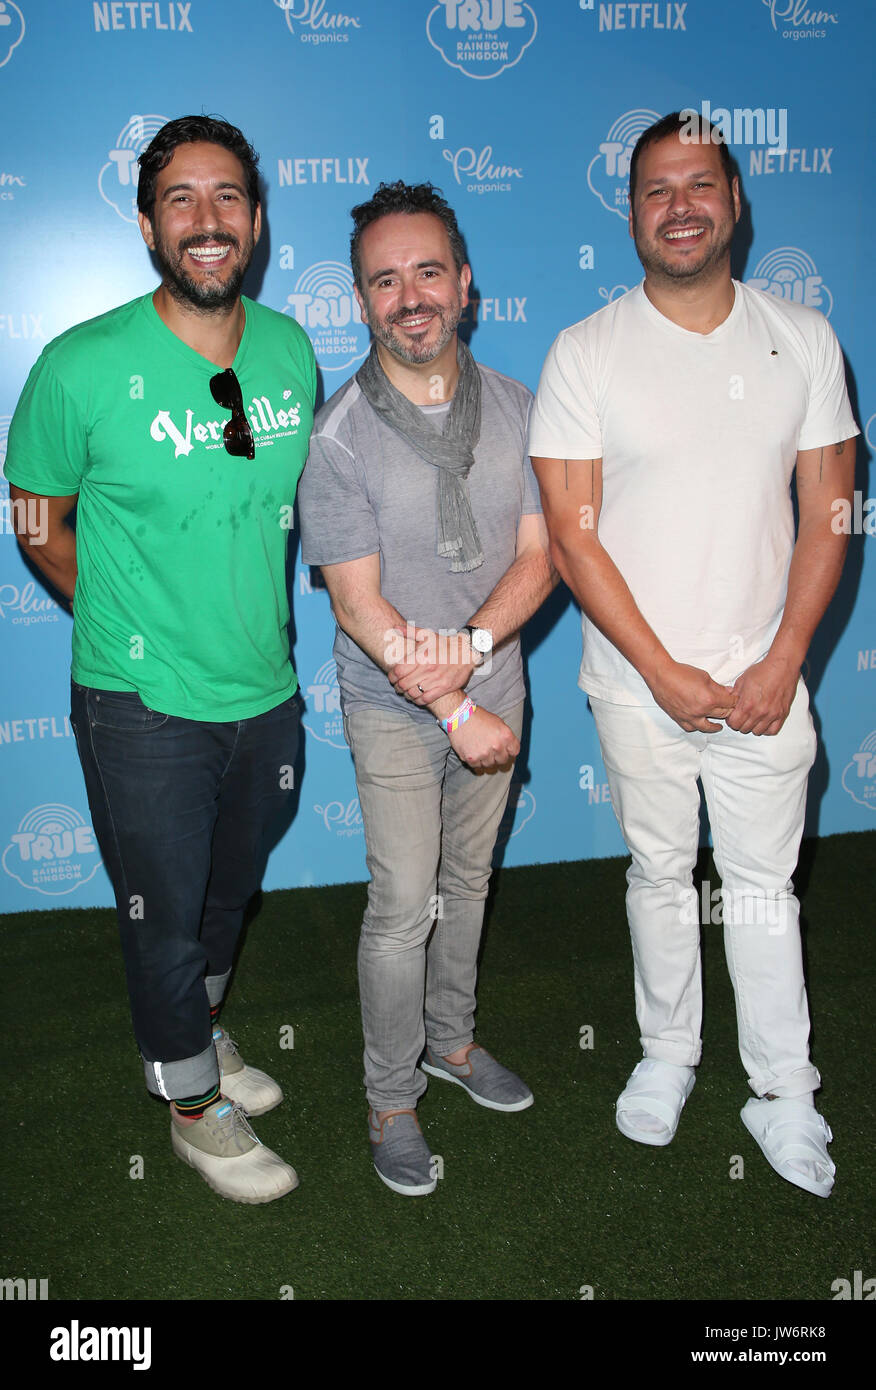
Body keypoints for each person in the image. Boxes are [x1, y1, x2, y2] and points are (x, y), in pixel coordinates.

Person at [528, 112, 858, 1198]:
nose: (680, 206)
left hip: (768, 680)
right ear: (630, 212)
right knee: (661, 876)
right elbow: (572, 536)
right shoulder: (585, 351)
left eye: (700, 184)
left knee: (763, 888)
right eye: (656, 189)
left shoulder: (803, 338)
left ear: (735, 201)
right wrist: (662, 672)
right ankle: (668, 1054)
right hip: (639, 686)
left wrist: (786, 659)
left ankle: (784, 1089)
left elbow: (831, 510)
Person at [7, 115, 316, 1204]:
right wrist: (121, 616)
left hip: (266, 688)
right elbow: (36, 518)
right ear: (147, 225)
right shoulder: (79, 365)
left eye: (227, 195)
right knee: (164, 911)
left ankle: (202, 1031)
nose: (206, 219)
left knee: (228, 898)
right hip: (139, 698)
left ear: (257, 220)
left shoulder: (290, 350)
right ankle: (191, 1106)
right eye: (180, 199)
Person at [298, 181, 555, 1196]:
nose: (410, 297)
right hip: (393, 703)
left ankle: (452, 1041)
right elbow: (357, 604)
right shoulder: (336, 435)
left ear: (465, 283)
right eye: (384, 280)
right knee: (405, 903)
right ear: (362, 299)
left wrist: (477, 653)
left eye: (428, 272)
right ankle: (391, 1096)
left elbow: (540, 553)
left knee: (470, 882)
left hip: (496, 685)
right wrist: (451, 703)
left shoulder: (522, 407)